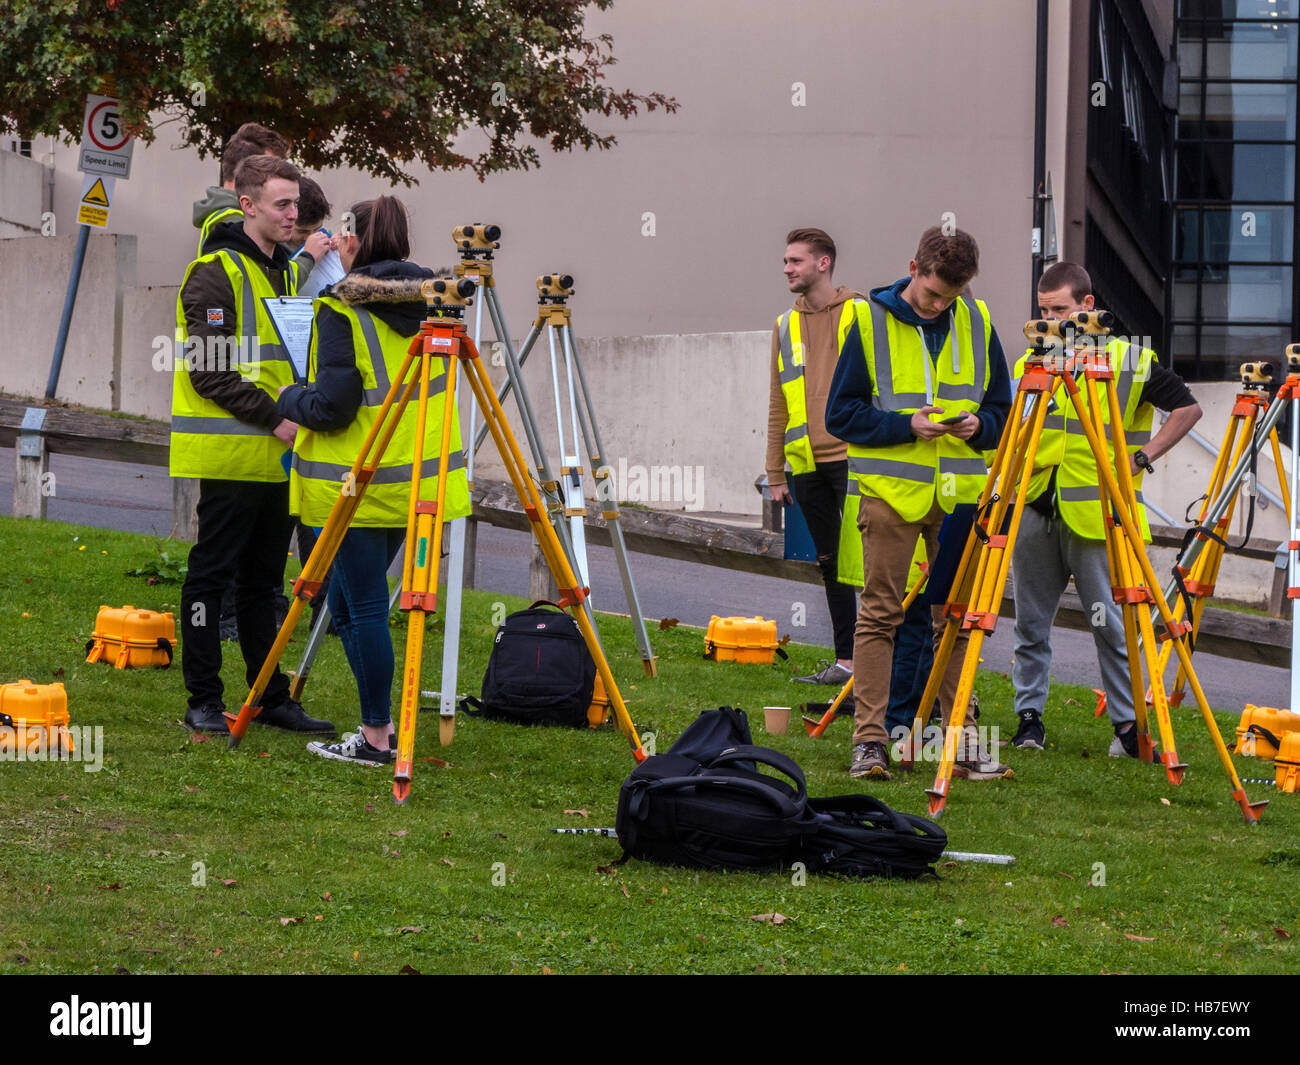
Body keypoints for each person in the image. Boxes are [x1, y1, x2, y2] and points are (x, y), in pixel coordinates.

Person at [275, 196, 472, 766]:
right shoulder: (441, 305)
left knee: (362, 607)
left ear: (357, 241)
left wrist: (290, 397)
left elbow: (334, 405)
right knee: (350, 599)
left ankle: (378, 735)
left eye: (342, 234)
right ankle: (378, 728)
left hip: (357, 480)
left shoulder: (342, 307)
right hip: (415, 483)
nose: (335, 242)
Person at [826, 225, 1012, 780]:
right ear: (913, 267)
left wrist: (981, 425)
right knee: (880, 614)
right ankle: (870, 743)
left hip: (958, 496)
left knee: (954, 618)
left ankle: (961, 741)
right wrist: (905, 425)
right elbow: (842, 415)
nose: (940, 306)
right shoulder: (867, 320)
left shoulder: (977, 323)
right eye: (932, 294)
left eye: (951, 298)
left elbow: (1003, 413)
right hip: (890, 493)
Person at [172, 154, 335, 737]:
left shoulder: (282, 271)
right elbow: (208, 374)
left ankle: (268, 696)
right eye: (282, 205)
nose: (293, 214)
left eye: (296, 203)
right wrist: (278, 420)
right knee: (211, 578)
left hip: (275, 459)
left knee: (265, 584)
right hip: (235, 454)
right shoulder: (214, 274)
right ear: (248, 207)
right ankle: (203, 697)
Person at [1009, 261, 1201, 757]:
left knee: (1108, 627)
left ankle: (1127, 729)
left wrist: (1143, 457)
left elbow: (1187, 408)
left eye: (1061, 310)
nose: (1051, 319)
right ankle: (1029, 720)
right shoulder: (1034, 360)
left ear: (1088, 306)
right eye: (1044, 310)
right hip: (1036, 508)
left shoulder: (1131, 360)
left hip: (1100, 516)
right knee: (1030, 624)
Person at [765, 228, 861, 685]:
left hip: (855, 457)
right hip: (805, 464)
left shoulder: (860, 312)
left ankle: (888, 665)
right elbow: (777, 402)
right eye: (786, 261)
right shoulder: (783, 324)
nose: (787, 268)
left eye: (795, 261)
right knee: (830, 562)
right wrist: (774, 471)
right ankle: (847, 662)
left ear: (823, 263)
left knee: (873, 561)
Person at [193, 122, 293, 255]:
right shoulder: (233, 223)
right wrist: (309, 256)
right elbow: (281, 270)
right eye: (271, 171)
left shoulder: (228, 216)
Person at [291, 176, 346, 298]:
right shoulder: (270, 247)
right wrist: (308, 257)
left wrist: (343, 249)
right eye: (302, 231)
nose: (310, 237)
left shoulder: (327, 239)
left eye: (317, 229)